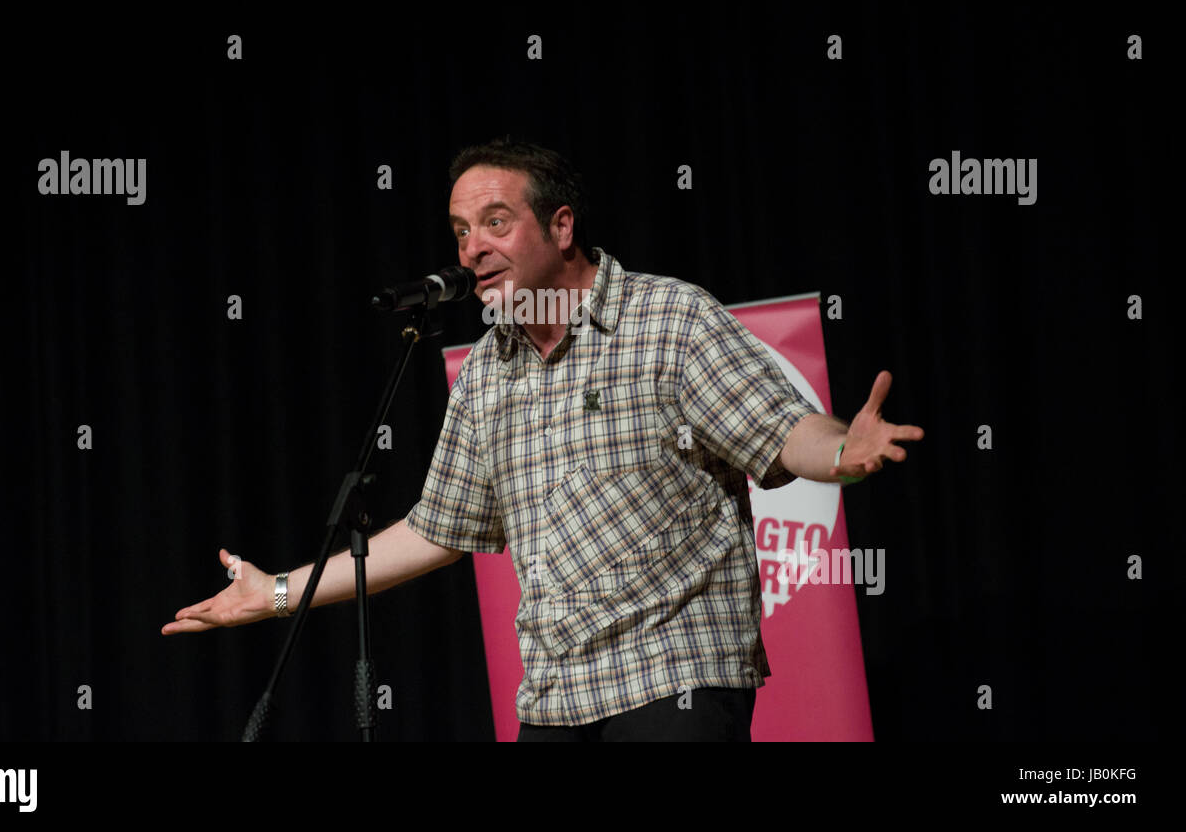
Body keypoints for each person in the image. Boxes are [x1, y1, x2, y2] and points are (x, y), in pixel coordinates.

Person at [162, 139, 924, 741]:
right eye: (461, 231)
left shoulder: (668, 320)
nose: (471, 249)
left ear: (562, 227)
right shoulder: (489, 374)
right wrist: (276, 595)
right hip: (556, 700)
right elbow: (435, 530)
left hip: (674, 681)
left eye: (496, 222)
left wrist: (838, 454)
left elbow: (782, 429)